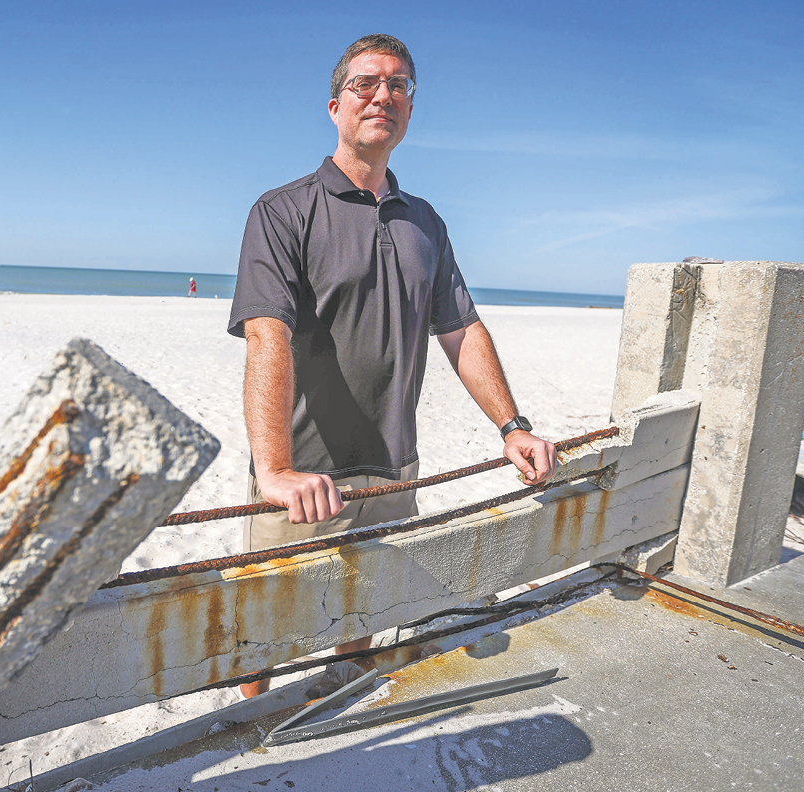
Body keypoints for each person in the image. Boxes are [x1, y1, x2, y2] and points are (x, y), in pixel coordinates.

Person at [227, 34, 558, 698]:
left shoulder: (425, 222)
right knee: (259, 633)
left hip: (394, 471)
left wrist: (512, 426)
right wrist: (274, 468)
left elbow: (462, 330)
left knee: (364, 617)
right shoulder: (282, 210)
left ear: (411, 108)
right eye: (365, 83)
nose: (383, 95)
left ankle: (339, 698)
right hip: (302, 476)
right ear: (333, 105)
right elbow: (268, 337)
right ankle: (249, 732)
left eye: (400, 85)